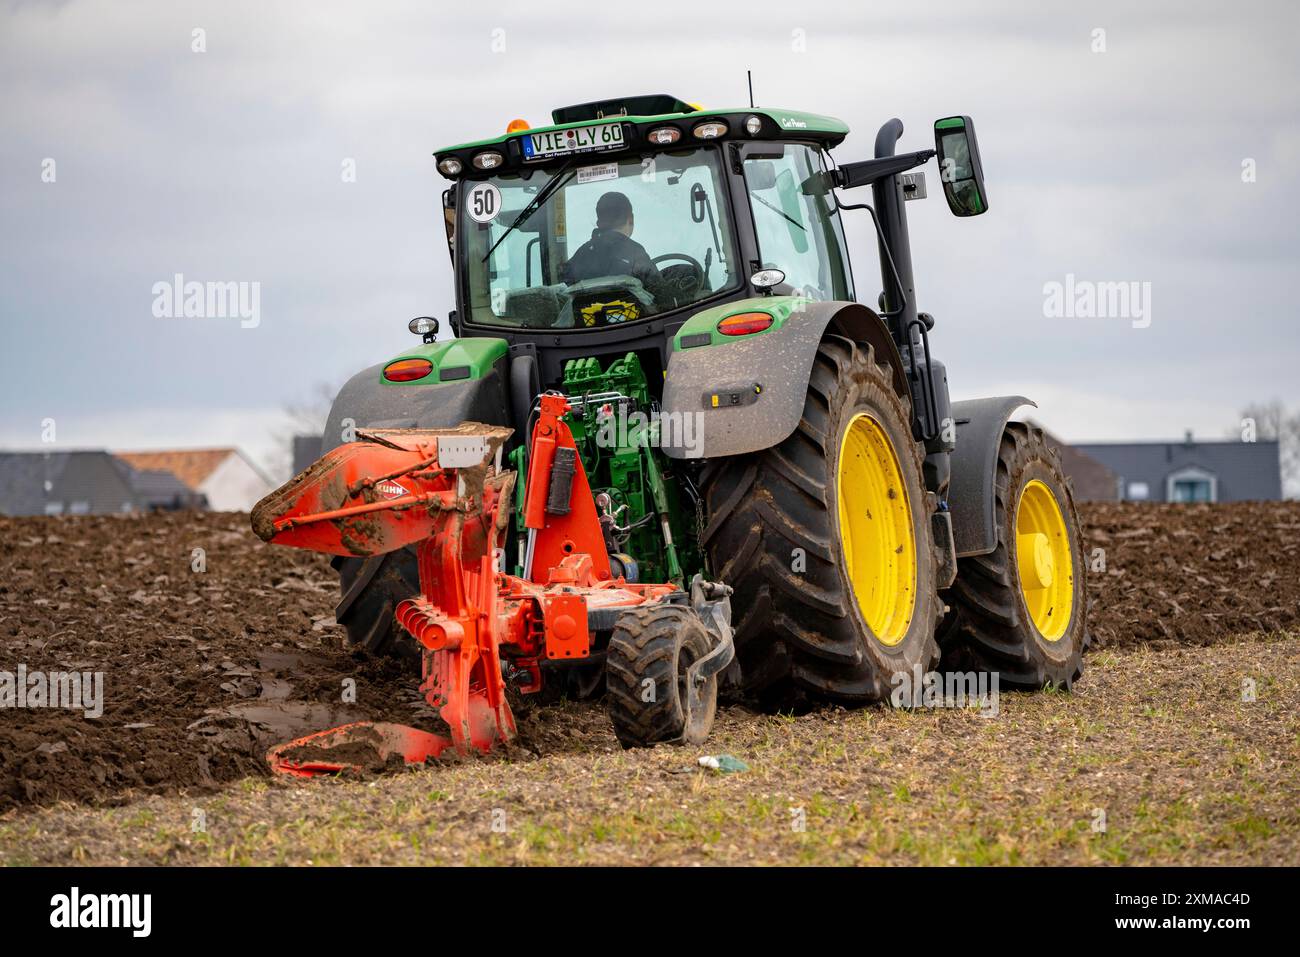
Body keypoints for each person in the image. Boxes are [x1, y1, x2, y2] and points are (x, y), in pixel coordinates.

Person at [561, 191, 671, 304]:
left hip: (588, 321)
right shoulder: (636, 253)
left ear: (598, 222)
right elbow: (663, 296)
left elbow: (566, 286)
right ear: (631, 219)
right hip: (640, 321)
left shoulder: (581, 254)